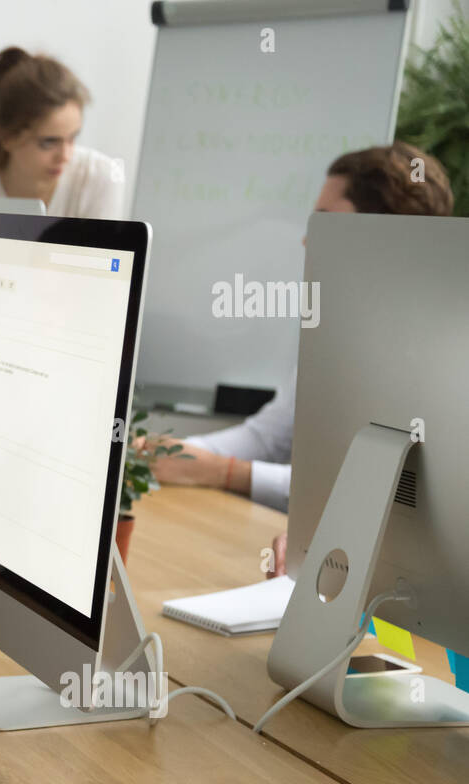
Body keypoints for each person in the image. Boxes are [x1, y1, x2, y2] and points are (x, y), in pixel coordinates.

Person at [143, 143, 454, 573]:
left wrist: (227, 472)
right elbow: (270, 436)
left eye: (325, 223)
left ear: (385, 234)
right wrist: (168, 454)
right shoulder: (332, 321)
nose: (307, 239)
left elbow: (385, 495)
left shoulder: (443, 352)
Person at [0, 46, 124, 218]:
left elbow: (110, 254)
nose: (65, 156)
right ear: (7, 137)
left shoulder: (99, 178)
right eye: (49, 142)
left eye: (73, 137)